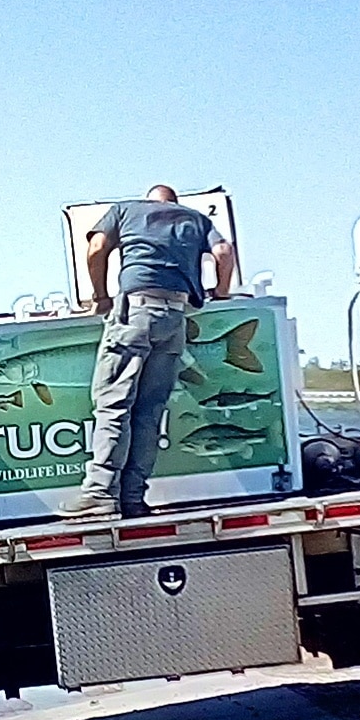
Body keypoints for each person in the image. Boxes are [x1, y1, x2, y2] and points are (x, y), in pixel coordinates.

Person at [61, 185, 236, 519]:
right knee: (149, 411)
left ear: (148, 200)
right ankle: (132, 497)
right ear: (175, 204)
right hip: (175, 316)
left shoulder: (127, 210)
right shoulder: (196, 220)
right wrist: (222, 292)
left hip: (136, 311)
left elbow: (97, 246)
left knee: (114, 404)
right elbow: (224, 252)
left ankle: (99, 493)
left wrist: (100, 296)